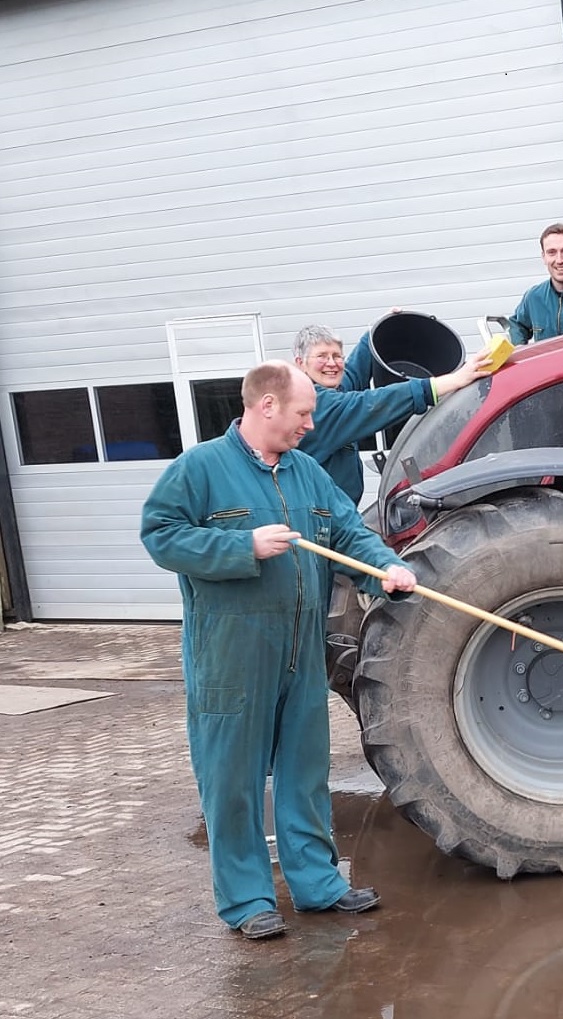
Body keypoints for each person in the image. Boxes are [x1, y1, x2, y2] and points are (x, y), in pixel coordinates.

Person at [140, 362, 419, 941]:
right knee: (231, 777)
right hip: (231, 653)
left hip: (300, 647)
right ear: (267, 406)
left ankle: (317, 884)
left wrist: (385, 568)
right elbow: (161, 535)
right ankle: (246, 900)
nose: (310, 426)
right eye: (303, 414)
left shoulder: (308, 474)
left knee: (305, 768)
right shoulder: (201, 469)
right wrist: (241, 545)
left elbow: (346, 533)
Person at [292, 322, 492, 505]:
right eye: (322, 357)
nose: (332, 363)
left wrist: (381, 328)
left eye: (337, 356)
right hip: (317, 517)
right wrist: (452, 381)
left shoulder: (330, 392)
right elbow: (372, 403)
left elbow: (353, 372)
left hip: (337, 511)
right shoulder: (315, 406)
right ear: (300, 363)